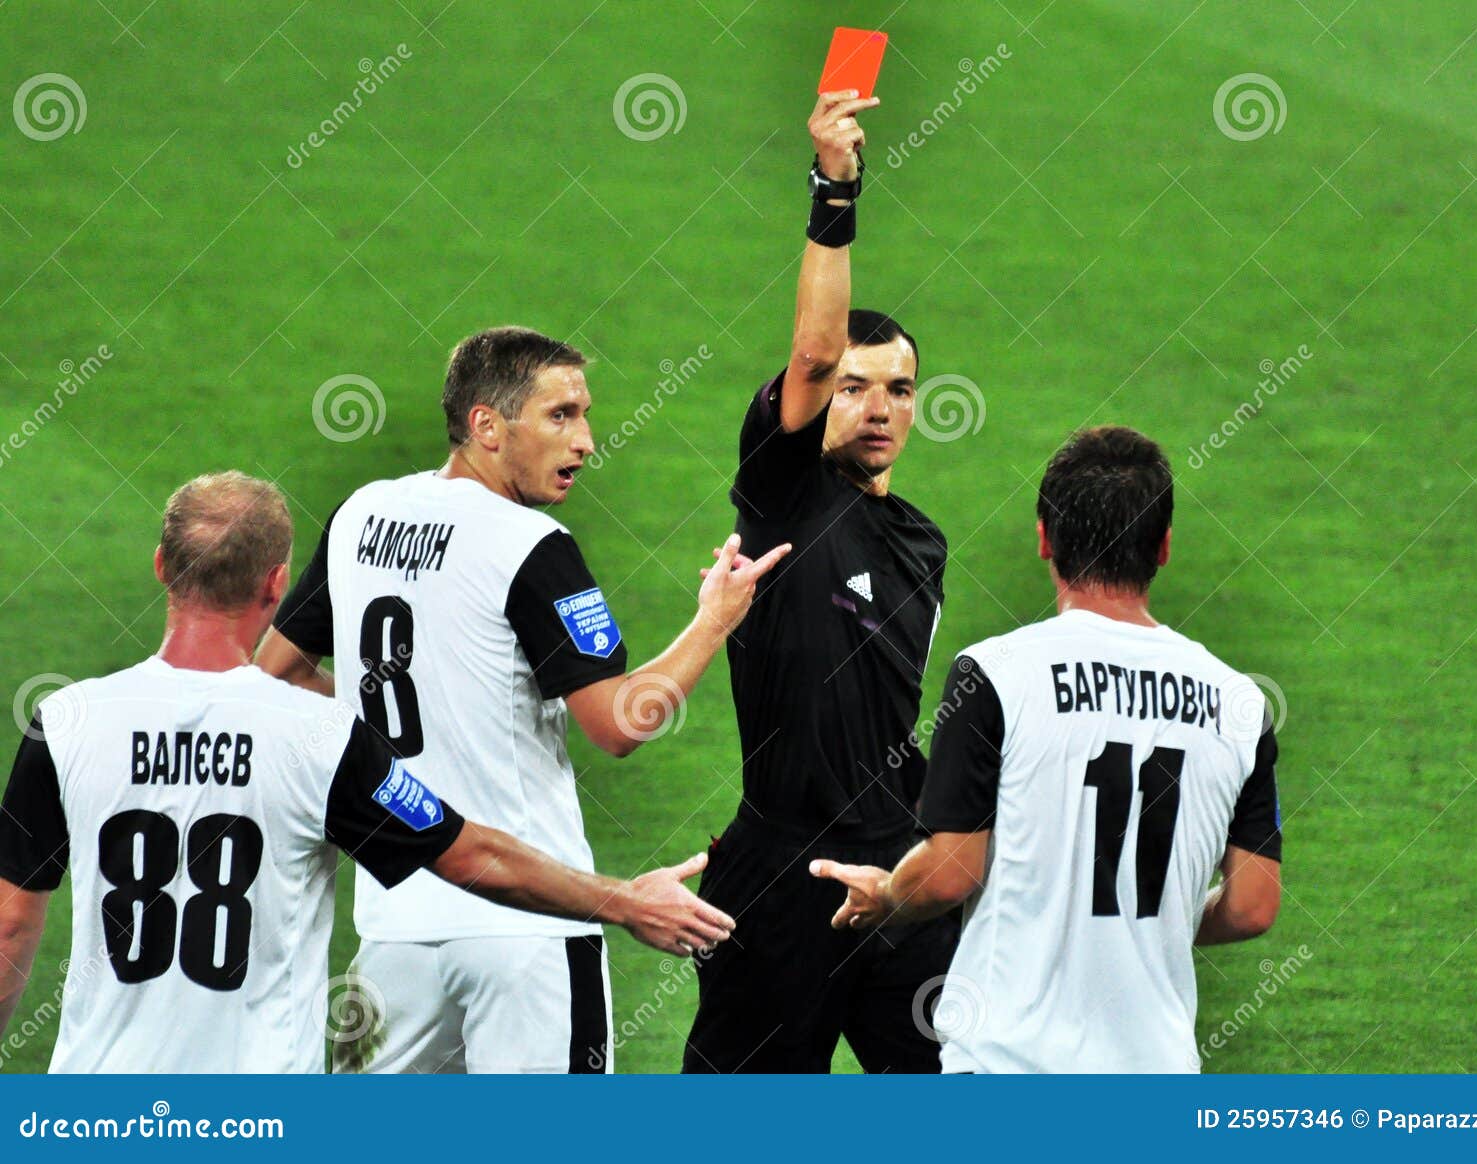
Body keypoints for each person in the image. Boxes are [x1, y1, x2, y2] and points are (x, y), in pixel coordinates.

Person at [0, 472, 734, 1073]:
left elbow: (8, 930)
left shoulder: (64, 725)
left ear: (161, 566)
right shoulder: (322, 742)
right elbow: (474, 855)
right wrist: (625, 902)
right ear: (275, 583)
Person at [255, 328, 787, 1073]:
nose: (587, 441)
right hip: (529, 929)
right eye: (561, 415)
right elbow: (620, 724)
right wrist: (713, 621)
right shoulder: (531, 544)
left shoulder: (361, 516)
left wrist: (380, 743)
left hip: (394, 932)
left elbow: (274, 673)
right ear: (486, 425)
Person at [811, 426, 1283, 1073]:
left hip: (1012, 1070)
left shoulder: (997, 675)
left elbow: (951, 871)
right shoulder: (1240, 705)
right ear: (1164, 547)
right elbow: (1254, 905)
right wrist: (1143, 924)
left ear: (1044, 538)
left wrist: (889, 894)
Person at [681, 89, 957, 1074]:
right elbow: (808, 345)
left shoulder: (921, 541)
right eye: (853, 386)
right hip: (779, 873)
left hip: (895, 863)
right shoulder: (783, 492)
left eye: (898, 389)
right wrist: (833, 189)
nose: (877, 408)